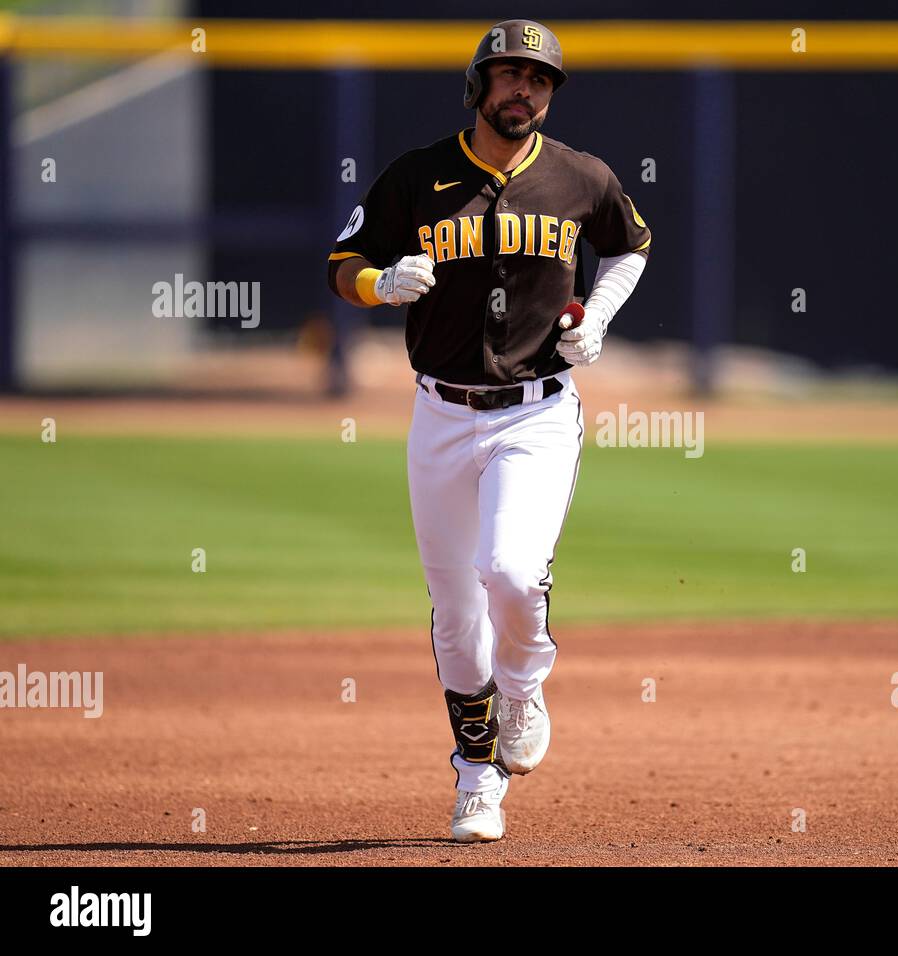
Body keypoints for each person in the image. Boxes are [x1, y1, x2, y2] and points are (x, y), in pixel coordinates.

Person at [325, 19, 651, 842]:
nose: (525, 91)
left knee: (508, 571)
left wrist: (600, 318)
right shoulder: (418, 177)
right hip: (439, 414)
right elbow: (340, 266)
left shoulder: (581, 177)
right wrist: (379, 280)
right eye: (510, 76)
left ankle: (523, 686)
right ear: (478, 85)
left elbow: (630, 247)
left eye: (539, 80)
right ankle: (477, 778)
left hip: (538, 412)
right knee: (453, 611)